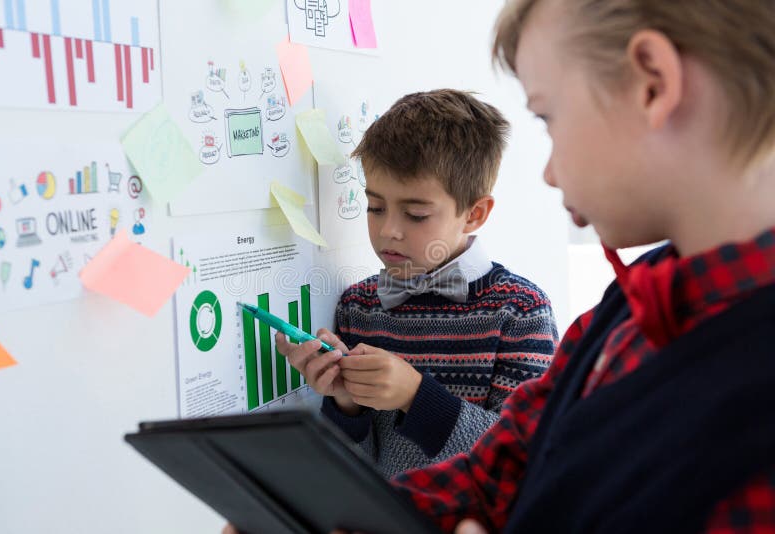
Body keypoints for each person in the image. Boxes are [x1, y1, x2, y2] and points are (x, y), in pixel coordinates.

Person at [378, 1, 775, 533]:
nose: (546, 172)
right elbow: (496, 470)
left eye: (548, 116)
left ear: (652, 83)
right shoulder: (625, 311)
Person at [278, 89, 559, 478]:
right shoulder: (359, 307)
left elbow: (523, 459)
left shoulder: (520, 310)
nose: (389, 230)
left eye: (415, 214)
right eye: (375, 208)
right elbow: (356, 470)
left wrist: (416, 396)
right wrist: (346, 404)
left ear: (475, 214)